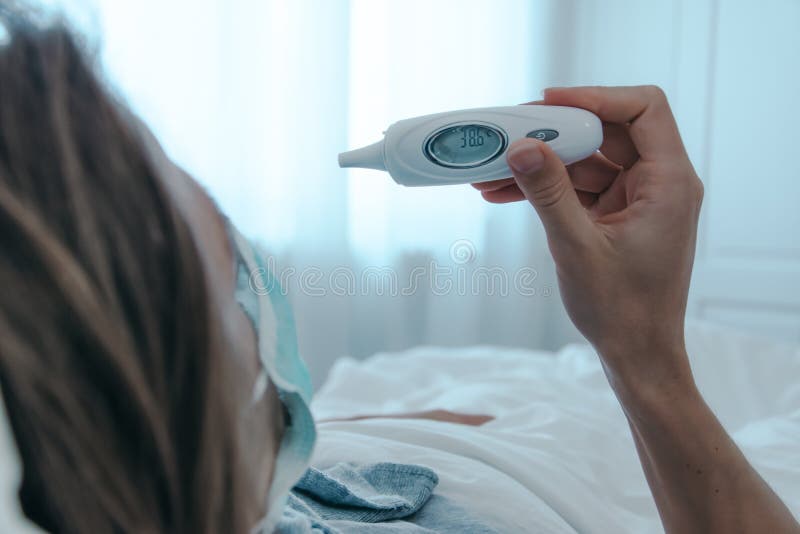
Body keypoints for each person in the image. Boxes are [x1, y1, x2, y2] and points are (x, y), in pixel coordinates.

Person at [0, 6, 796, 534]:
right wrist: (647, 356)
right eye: (234, 281)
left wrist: (337, 433)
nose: (255, 275)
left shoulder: (190, 468)